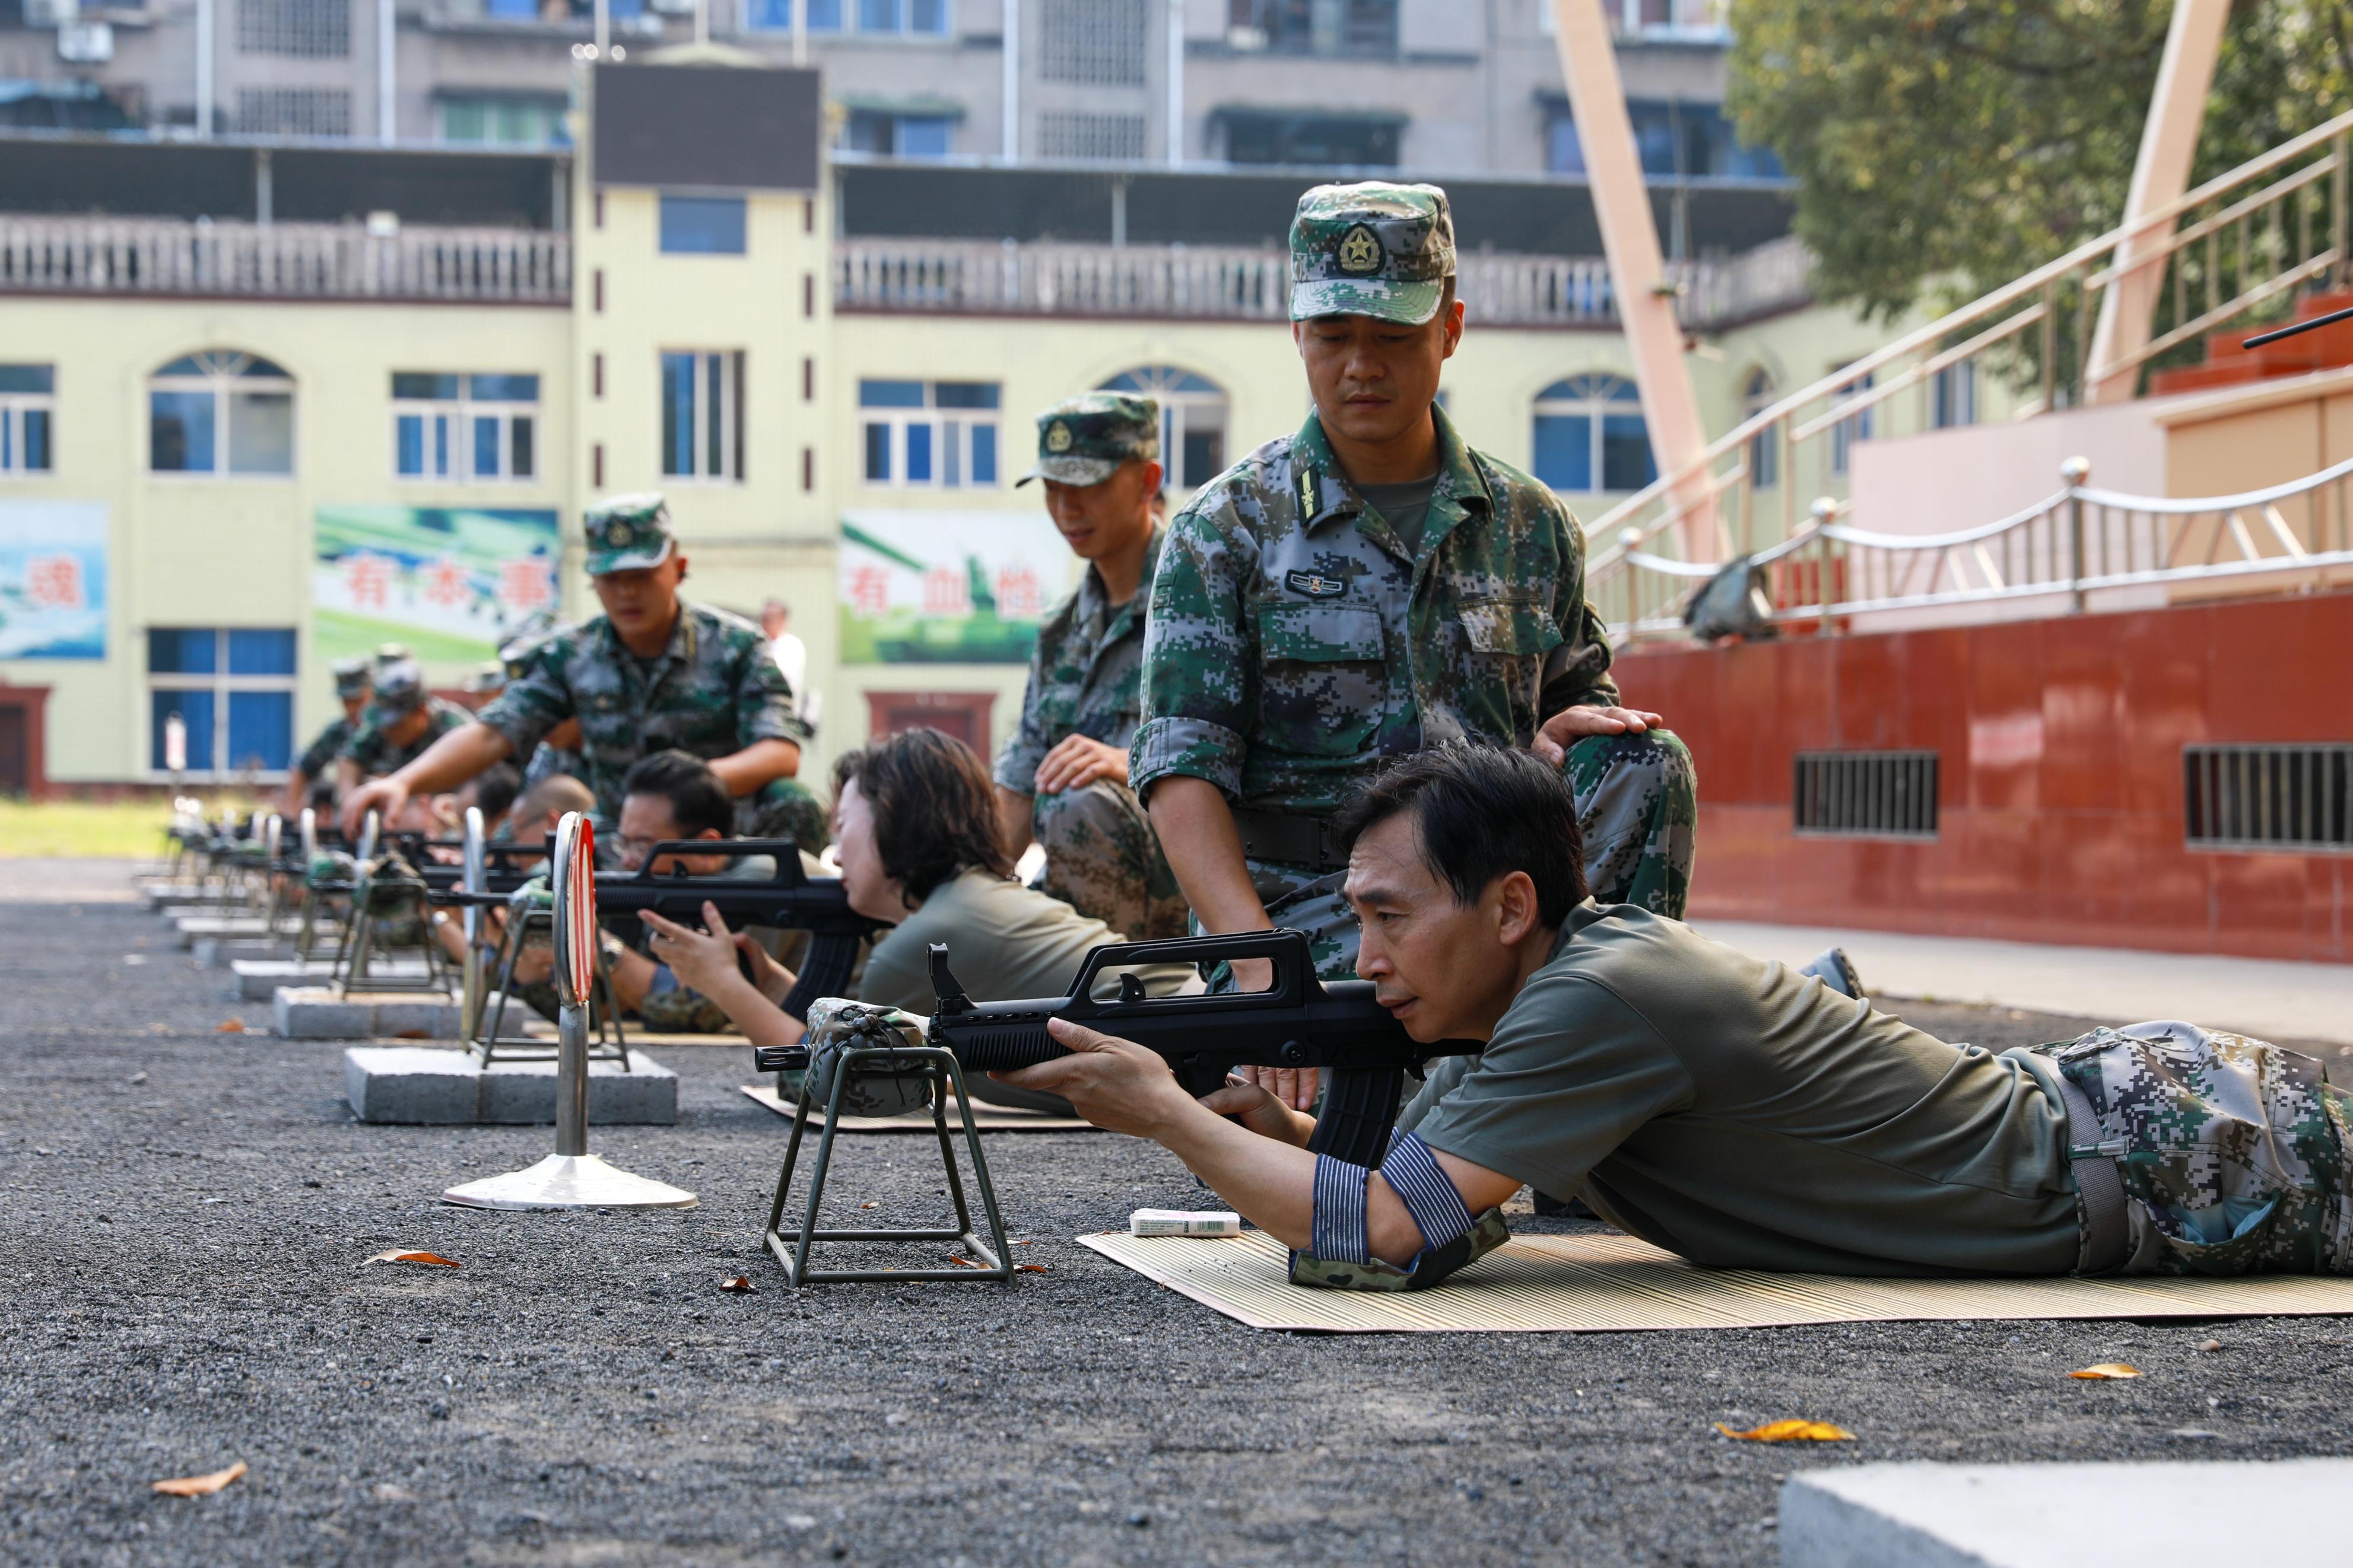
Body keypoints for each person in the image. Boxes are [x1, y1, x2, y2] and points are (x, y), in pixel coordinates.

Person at [1007, 744, 2353, 1287]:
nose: (1364, 957)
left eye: (1390, 914)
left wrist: (1171, 1115)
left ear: (1511, 904)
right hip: (2124, 1120)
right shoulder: (1561, 985)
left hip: (2174, 1148)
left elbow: (1390, 1226)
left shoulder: (1594, 998)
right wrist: (1251, 1128)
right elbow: (1431, 1214)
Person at [1131, 180, 1696, 1109]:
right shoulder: (1224, 527)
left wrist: (1556, 745)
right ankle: (1551, 1088)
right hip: (1319, 918)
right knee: (1335, 1138)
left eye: (1393, 338)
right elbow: (1182, 776)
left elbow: (1574, 712)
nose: (1361, 366)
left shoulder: (1528, 522)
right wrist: (1258, 974)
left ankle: (1591, 1041)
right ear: (1297, 334)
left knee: (1645, 760)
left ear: (1451, 328)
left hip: (1496, 910)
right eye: (1334, 337)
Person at [643, 727, 1186, 1111]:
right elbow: (865, 1029)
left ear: (893, 823)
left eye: (843, 825)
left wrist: (719, 982)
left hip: (1189, 1057)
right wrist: (767, 984)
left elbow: (825, 1077)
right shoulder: (966, 901)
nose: (834, 852)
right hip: (1182, 1035)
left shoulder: (927, 939)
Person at [339, 494, 814, 839]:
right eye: (611, 578)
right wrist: (401, 781)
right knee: (529, 884)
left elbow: (778, 750)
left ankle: (785, 974)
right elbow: (493, 732)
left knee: (796, 804)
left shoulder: (736, 645)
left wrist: (690, 787)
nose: (627, 592)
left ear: (679, 568)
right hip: (617, 837)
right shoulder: (572, 654)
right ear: (593, 580)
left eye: (641, 576)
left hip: (722, 832)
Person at [992, 392, 1187, 943]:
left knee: (1080, 800)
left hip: (1190, 896)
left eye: (1087, 487)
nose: (1066, 509)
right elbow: (1018, 784)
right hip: (1077, 898)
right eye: (1053, 490)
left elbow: (1262, 762)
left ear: (1148, 480)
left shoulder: (1209, 597)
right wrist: (966, 890)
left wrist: (1131, 763)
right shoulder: (1060, 630)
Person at [336, 657, 474, 794]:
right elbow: (349, 760)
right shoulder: (381, 727)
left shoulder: (456, 729)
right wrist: (350, 798)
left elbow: (479, 780)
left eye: (396, 725)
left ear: (421, 712)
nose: (387, 732)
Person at [281, 656, 371, 816]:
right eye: (346, 702)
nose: (351, 709)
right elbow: (301, 768)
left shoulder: (391, 730)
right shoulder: (338, 733)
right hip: (348, 818)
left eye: (358, 701)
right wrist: (291, 814)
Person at [758, 598, 816, 728]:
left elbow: (776, 675)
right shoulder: (760, 644)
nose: (765, 623)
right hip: (759, 716)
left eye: (770, 619)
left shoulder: (791, 645)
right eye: (763, 618)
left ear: (783, 620)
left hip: (781, 717)